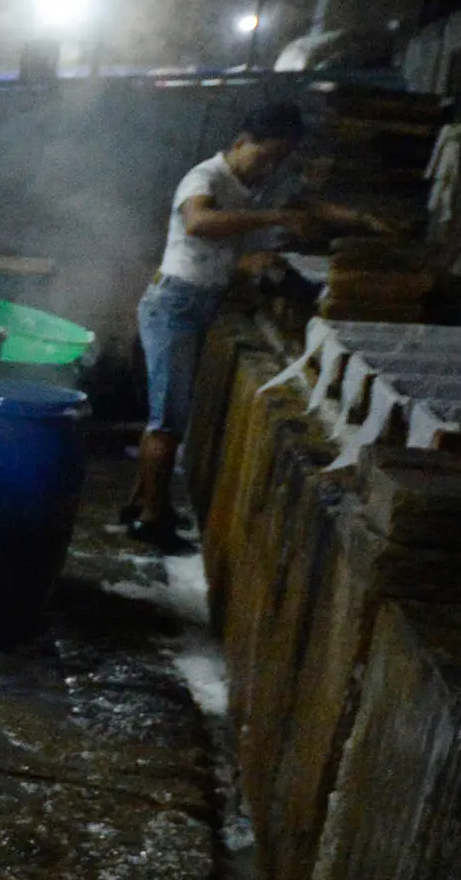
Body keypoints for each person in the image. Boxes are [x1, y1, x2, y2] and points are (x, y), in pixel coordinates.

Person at [126, 101, 389, 549]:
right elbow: (199, 222)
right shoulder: (205, 178)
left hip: (195, 303)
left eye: (278, 160)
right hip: (174, 304)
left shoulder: (248, 191)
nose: (269, 168)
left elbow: (297, 213)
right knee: (168, 422)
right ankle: (153, 518)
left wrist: (360, 220)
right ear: (239, 143)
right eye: (264, 156)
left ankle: (139, 503)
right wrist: (276, 218)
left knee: (166, 416)